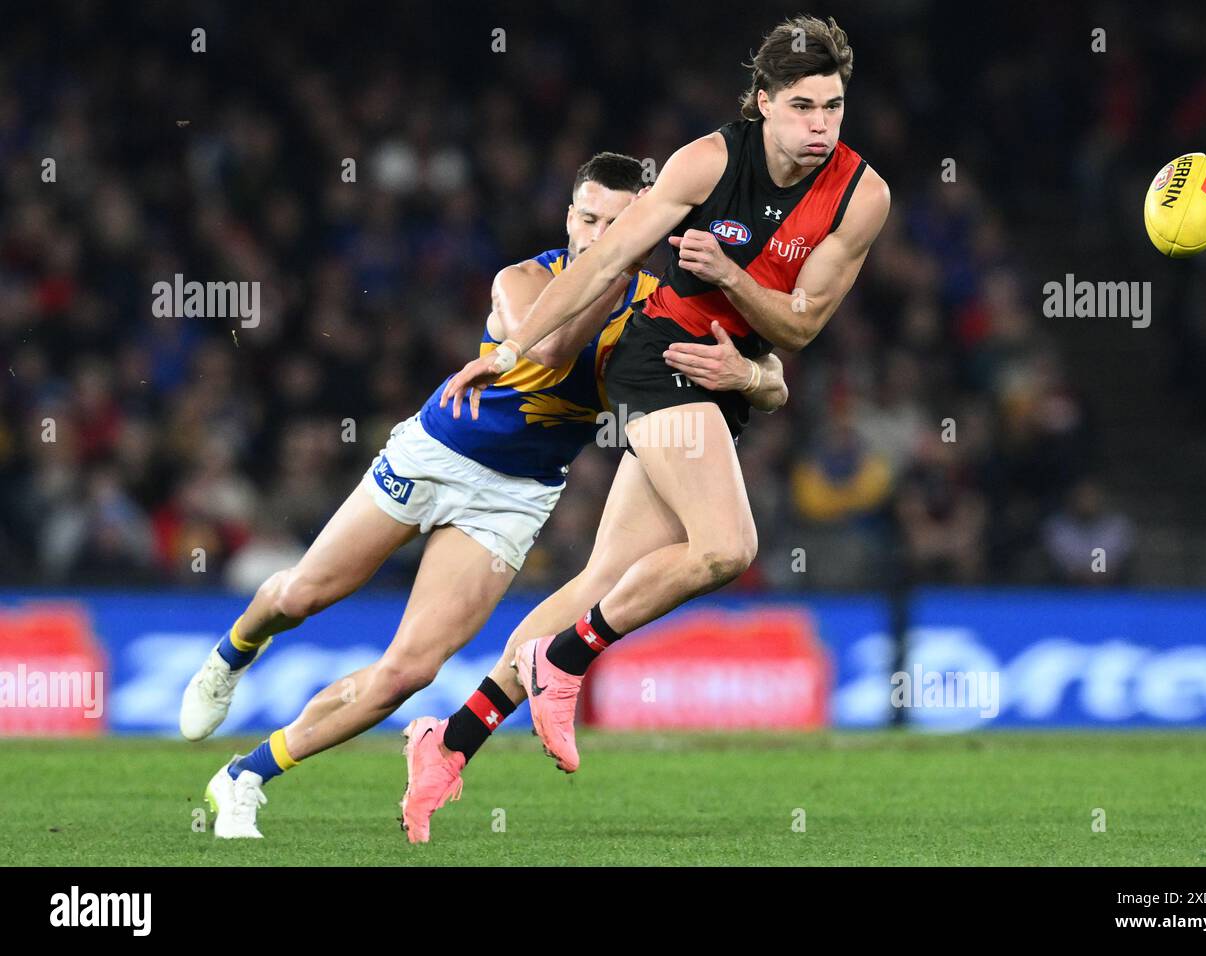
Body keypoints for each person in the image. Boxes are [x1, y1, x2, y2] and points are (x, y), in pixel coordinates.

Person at [177, 152, 787, 839]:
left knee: (407, 673)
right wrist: (613, 269)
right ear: (569, 217)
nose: (596, 232)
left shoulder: (661, 294)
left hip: (514, 497)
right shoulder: (524, 279)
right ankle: (232, 652)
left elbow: (772, 378)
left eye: (616, 222)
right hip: (436, 455)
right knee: (301, 596)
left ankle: (245, 776)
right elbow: (550, 354)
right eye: (588, 218)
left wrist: (749, 375)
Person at [436, 15, 891, 781]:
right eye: (803, 106)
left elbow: (801, 328)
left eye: (834, 106)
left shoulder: (861, 195)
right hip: (657, 360)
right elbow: (605, 257)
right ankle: (565, 660)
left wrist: (732, 284)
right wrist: (512, 350)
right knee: (728, 548)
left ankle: (454, 740)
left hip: (724, 382)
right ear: (763, 102)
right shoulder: (708, 161)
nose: (820, 124)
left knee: (599, 579)